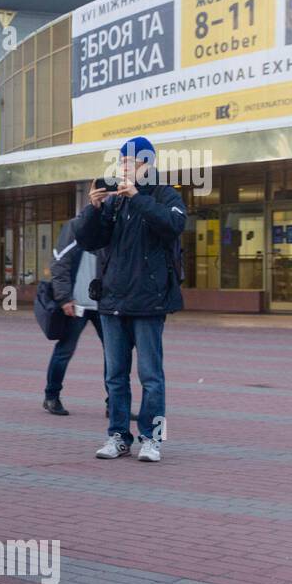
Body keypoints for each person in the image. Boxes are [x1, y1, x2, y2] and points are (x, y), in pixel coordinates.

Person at [73, 136, 187, 463]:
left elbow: (174, 224)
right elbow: (89, 240)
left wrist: (137, 197)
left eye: (130, 163)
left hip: (149, 301)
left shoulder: (165, 195)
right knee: (115, 375)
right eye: (121, 162)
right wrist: (93, 210)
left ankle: (152, 439)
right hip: (112, 300)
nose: (123, 168)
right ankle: (118, 436)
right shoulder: (114, 201)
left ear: (146, 165)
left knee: (151, 375)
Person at [43, 210, 105, 416]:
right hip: (76, 304)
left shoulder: (113, 225)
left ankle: (115, 403)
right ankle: (51, 396)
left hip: (105, 304)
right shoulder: (76, 226)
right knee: (64, 351)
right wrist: (64, 298)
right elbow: (60, 262)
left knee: (116, 355)